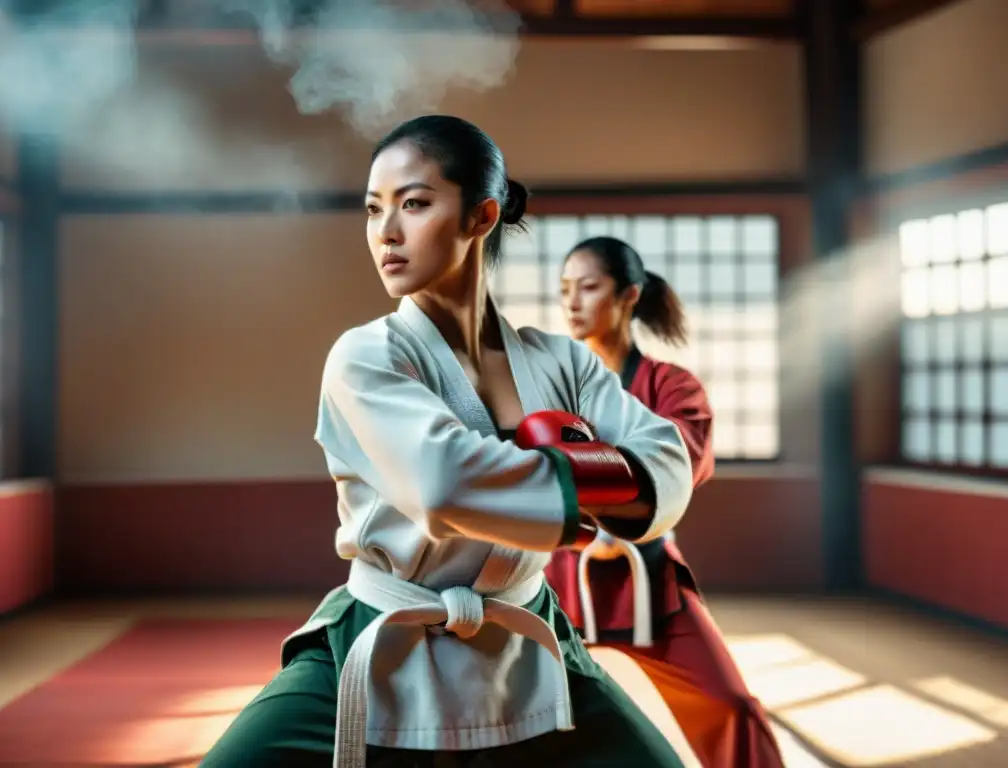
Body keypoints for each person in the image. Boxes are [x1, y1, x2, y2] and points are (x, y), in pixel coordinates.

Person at [200, 116, 697, 768]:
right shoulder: (366, 356)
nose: (386, 231)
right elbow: (445, 485)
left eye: (413, 203)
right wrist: (589, 480)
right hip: (381, 636)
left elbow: (667, 458)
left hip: (531, 640)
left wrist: (578, 484)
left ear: (480, 216)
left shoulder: (560, 363)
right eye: (373, 210)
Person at [547, 236, 785, 768]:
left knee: (731, 708)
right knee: (526, 722)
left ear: (630, 295)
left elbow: (683, 462)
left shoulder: (671, 386)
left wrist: (588, 483)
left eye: (589, 287)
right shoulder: (549, 384)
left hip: (648, 579)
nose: (572, 302)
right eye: (565, 289)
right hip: (558, 578)